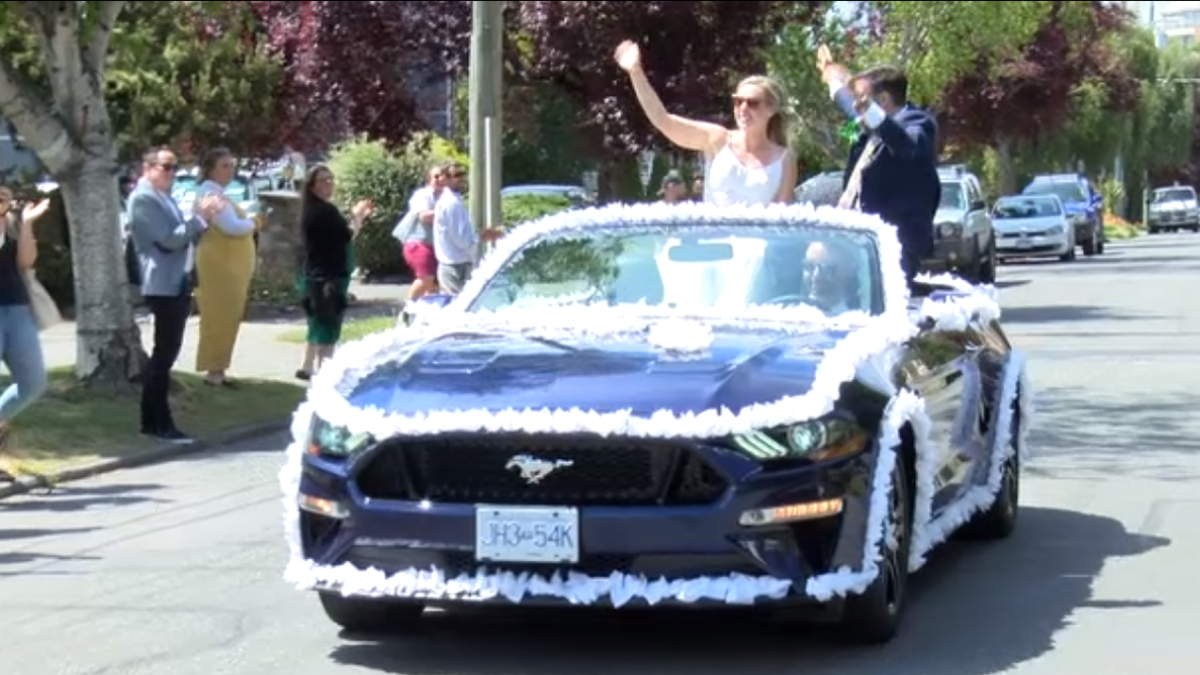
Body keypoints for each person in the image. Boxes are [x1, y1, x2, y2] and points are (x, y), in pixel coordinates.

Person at [614, 40, 797, 206]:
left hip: (759, 243)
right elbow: (663, 120)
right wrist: (635, 72)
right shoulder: (717, 139)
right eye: (738, 101)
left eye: (752, 103)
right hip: (714, 242)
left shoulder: (785, 160)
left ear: (771, 110)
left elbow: (782, 221)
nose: (743, 107)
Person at [818, 46, 940, 285]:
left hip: (894, 246)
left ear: (882, 100)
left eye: (862, 99)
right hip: (859, 239)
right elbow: (845, 99)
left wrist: (870, 113)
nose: (856, 105)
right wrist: (831, 74)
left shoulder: (917, 124)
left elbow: (907, 147)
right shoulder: (868, 118)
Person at [128, 147, 224, 443]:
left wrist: (201, 221)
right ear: (148, 168)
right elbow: (170, 241)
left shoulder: (163, 197)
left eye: (175, 167)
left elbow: (184, 235)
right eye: (166, 167)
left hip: (177, 280)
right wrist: (199, 218)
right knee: (164, 354)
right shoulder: (143, 198)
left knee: (166, 354)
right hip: (162, 283)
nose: (171, 173)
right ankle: (160, 424)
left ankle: (152, 421)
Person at [296, 165, 374, 380]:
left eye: (330, 179)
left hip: (314, 275)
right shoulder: (324, 211)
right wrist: (358, 216)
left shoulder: (311, 210)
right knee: (328, 329)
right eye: (322, 180)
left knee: (316, 323)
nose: (328, 184)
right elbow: (347, 235)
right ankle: (324, 375)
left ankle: (306, 365)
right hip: (328, 277)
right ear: (311, 186)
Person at [194, 147, 258, 387]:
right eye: (224, 166)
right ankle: (213, 371)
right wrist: (253, 222)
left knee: (228, 316)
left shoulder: (219, 193)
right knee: (218, 316)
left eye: (232, 166)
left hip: (228, 265)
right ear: (210, 168)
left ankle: (219, 368)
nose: (230, 171)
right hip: (219, 266)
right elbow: (230, 227)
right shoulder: (210, 194)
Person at [0, 187, 51, 481]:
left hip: (16, 308)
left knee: (33, 383)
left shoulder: (12, 221)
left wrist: (27, 222)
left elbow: (25, 262)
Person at [396, 165, 444, 304]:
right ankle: (407, 310)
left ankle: (427, 315)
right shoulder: (422, 195)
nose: (440, 179)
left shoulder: (446, 197)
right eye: (436, 177)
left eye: (443, 176)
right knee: (426, 279)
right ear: (429, 180)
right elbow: (424, 216)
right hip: (418, 244)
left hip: (436, 246)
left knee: (435, 286)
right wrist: (447, 212)